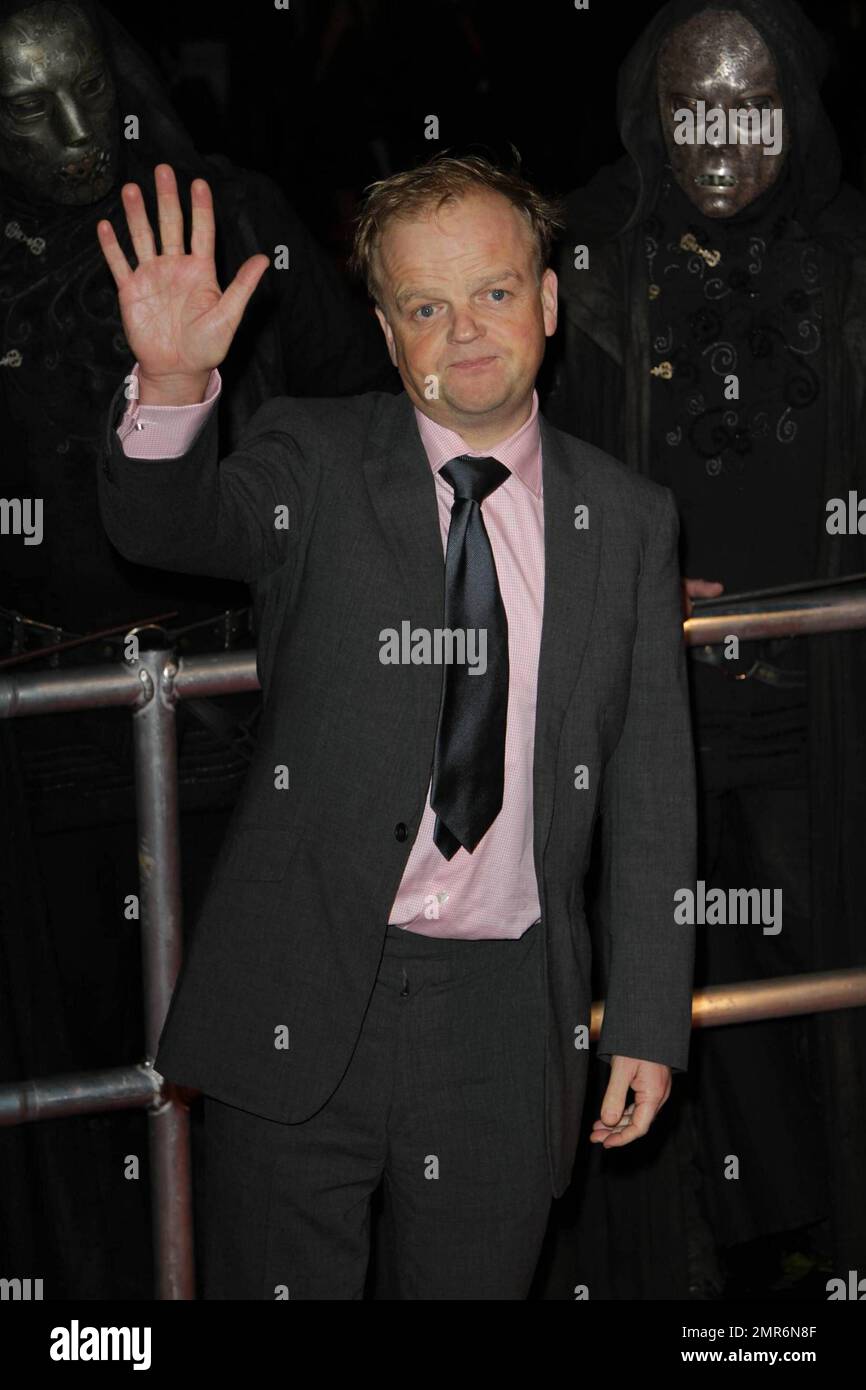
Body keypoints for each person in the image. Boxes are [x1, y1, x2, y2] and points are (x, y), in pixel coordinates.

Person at [95, 152, 696, 1300]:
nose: (463, 330)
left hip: (507, 1022)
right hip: (302, 987)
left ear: (549, 301)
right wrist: (170, 385)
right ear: (384, 331)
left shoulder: (626, 519)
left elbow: (654, 790)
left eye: (494, 292)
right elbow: (174, 528)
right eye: (425, 305)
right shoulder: (314, 459)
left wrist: (651, 1016)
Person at [0, 0, 396, 1296]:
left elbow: (361, 411)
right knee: (91, 1044)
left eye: (81, 93)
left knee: (269, 1034)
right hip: (52, 725)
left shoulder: (226, 209)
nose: (66, 133)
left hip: (238, 700)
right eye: (24, 107)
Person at [543, 0, 866, 1295]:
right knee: (659, 975)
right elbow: (509, 456)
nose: (721, 139)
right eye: (692, 108)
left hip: (820, 693)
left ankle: (823, 1235)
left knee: (814, 961)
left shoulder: (850, 255)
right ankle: (692, 1261)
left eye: (749, 105)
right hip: (647, 700)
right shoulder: (587, 254)